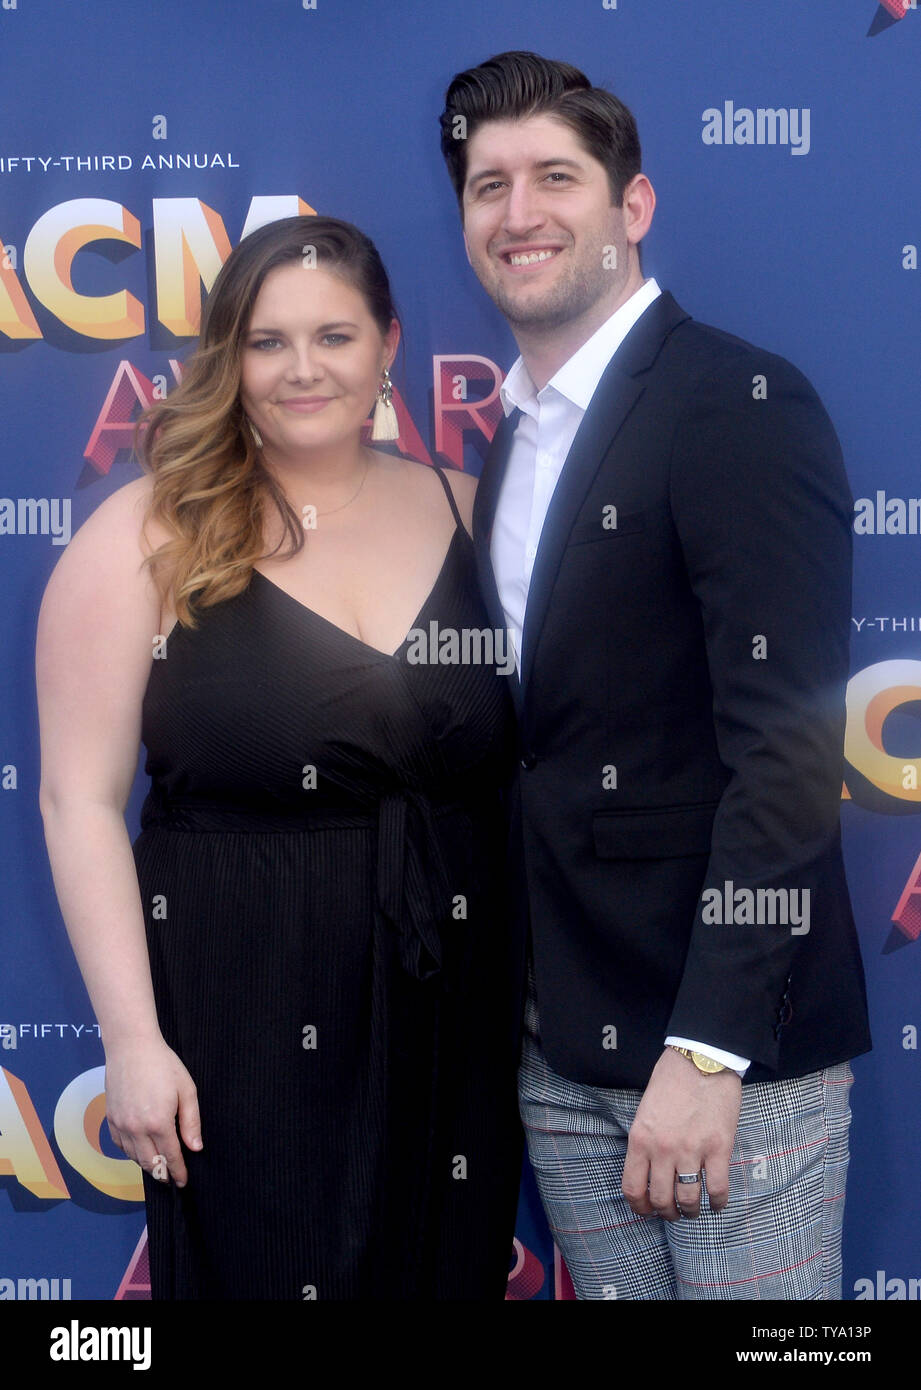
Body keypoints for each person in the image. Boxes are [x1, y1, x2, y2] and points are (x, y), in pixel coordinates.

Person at [438, 51, 872, 1300]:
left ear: (633, 206)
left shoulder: (735, 402)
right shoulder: (517, 435)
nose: (519, 213)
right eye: (487, 185)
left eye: (555, 178)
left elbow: (788, 752)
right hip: (562, 1048)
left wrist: (709, 1048)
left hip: (727, 1056)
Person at [36, 215, 522, 1300]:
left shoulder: (474, 512)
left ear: (389, 343)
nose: (304, 369)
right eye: (267, 341)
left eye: (336, 335)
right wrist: (132, 1040)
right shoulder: (145, 536)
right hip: (235, 1014)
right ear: (227, 359)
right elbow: (76, 800)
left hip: (451, 1003)